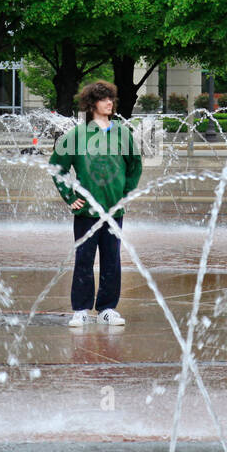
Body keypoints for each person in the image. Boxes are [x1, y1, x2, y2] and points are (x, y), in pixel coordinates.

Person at [49, 81, 142, 327]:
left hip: (114, 209)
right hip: (86, 210)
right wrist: (70, 196)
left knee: (112, 259)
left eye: (111, 98)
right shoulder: (76, 135)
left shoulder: (123, 133)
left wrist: (126, 192)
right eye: (103, 99)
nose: (109, 102)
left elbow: (135, 165)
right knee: (84, 259)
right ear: (91, 104)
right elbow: (56, 167)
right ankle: (80, 309)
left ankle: (107, 309)